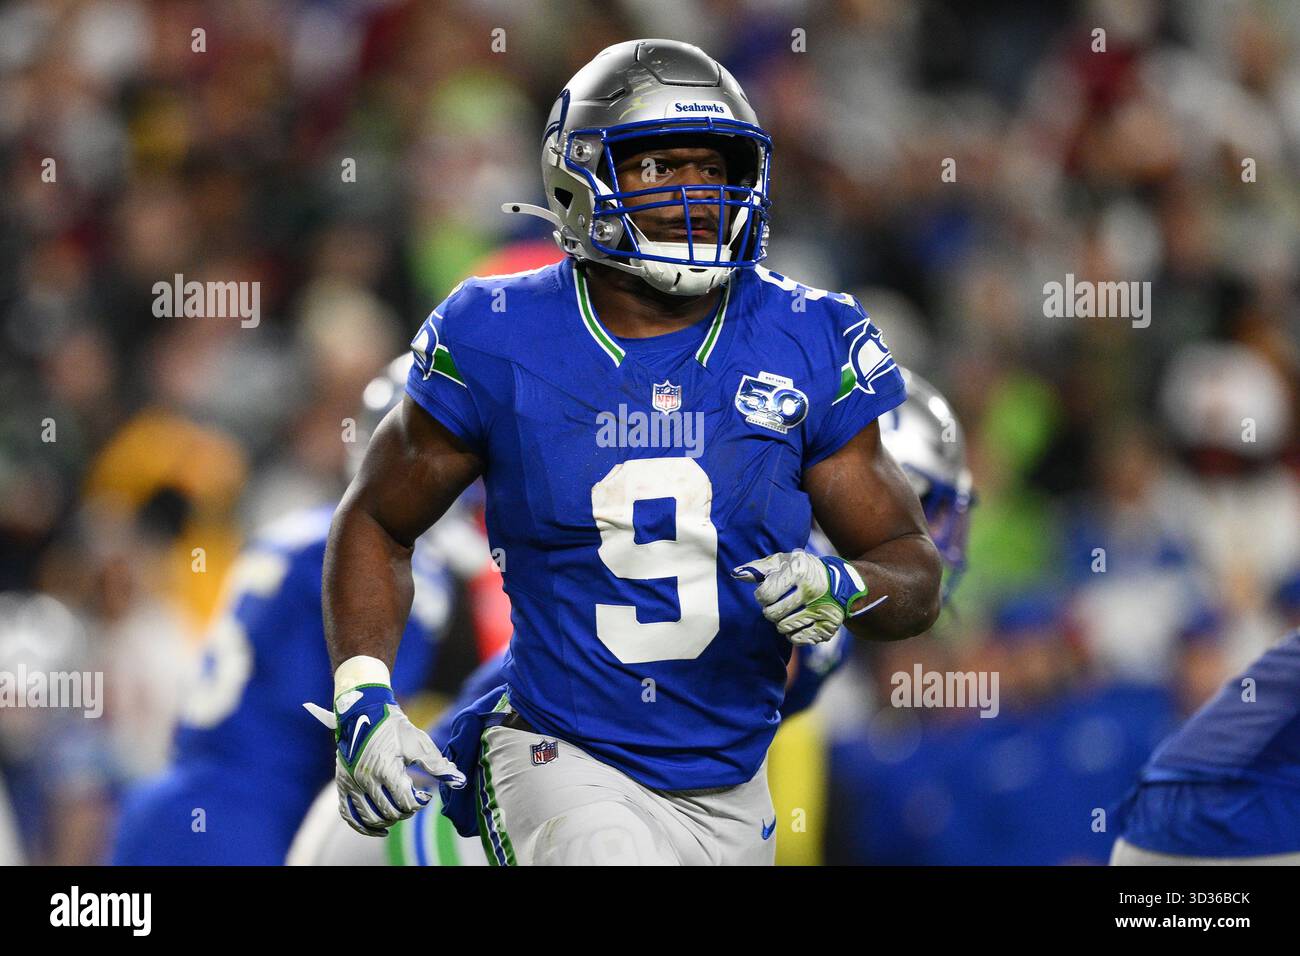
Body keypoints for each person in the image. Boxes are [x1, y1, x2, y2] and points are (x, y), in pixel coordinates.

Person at [314, 38, 942, 866]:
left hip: (734, 785)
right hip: (560, 756)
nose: (696, 194)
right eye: (660, 168)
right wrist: (363, 692)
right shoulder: (499, 332)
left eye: (712, 168)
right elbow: (377, 520)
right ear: (580, 177)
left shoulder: (807, 335)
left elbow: (911, 568)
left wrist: (845, 584)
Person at [289, 369, 973, 866]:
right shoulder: (760, 592)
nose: (929, 534)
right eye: (924, 506)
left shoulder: (790, 608)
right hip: (435, 833)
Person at [110, 356, 461, 864]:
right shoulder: (402, 566)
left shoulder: (299, 531)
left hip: (167, 808)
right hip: (258, 827)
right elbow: (372, 745)